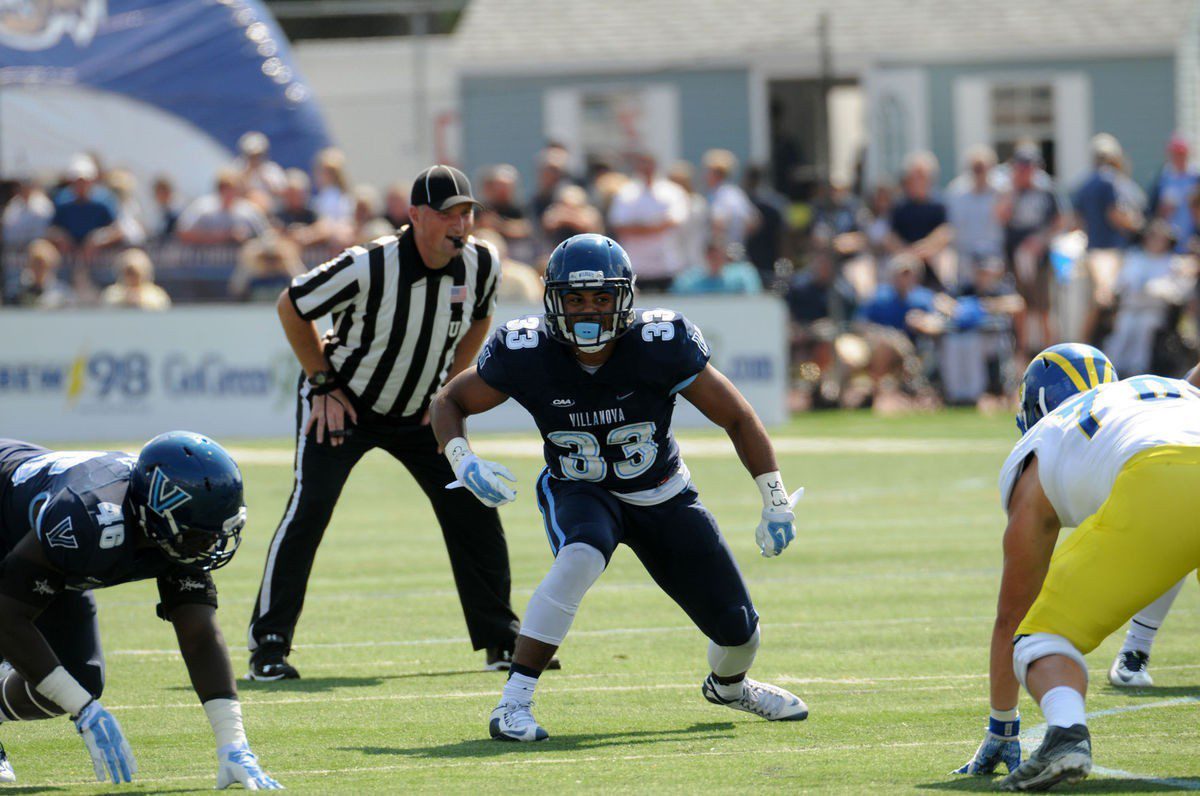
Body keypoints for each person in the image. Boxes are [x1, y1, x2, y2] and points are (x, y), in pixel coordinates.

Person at [430, 233, 809, 742]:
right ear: (553, 300)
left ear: (625, 298)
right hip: (582, 488)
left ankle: (729, 687)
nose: (589, 310)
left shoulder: (661, 343)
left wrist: (776, 499)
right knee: (581, 556)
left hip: (665, 494)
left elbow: (737, 417)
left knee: (740, 634)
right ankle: (512, 705)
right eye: (576, 298)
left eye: (602, 297)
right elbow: (449, 402)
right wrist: (463, 458)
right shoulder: (528, 350)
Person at [246, 165, 528, 680]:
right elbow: (293, 304)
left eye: (467, 213)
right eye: (449, 215)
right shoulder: (369, 264)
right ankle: (269, 644)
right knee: (309, 509)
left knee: (472, 505)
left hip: (422, 409)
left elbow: (482, 317)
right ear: (416, 216)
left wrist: (449, 387)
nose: (461, 225)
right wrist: (323, 383)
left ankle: (501, 641)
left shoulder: (482, 264)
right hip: (346, 403)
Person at [955, 343, 1200, 790]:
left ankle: (1066, 734)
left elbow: (1012, 614)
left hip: (1156, 474)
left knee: (1037, 636)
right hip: (1171, 458)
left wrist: (1002, 724)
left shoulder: (1044, 440)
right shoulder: (1166, 388)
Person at [0, 432, 279, 788]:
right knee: (31, 651)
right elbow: (7, 619)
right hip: (11, 515)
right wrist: (83, 711)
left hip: (44, 549)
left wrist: (233, 743)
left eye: (214, 535)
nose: (209, 545)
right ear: (157, 513)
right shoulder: (87, 515)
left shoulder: (174, 527)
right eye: (200, 536)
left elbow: (199, 637)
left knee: (80, 677)